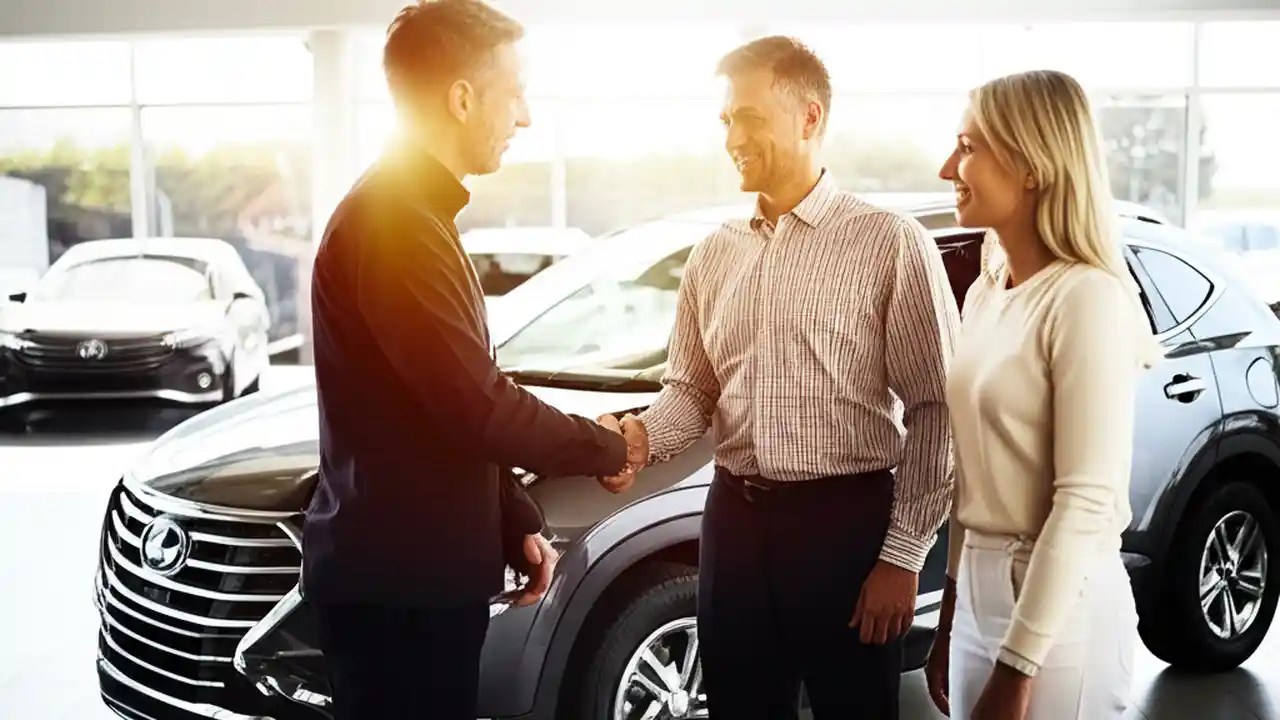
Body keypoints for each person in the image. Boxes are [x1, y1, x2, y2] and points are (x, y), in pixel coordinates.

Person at [602, 36, 960, 719]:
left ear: (810, 116)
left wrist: (904, 556)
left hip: (846, 528)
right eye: (727, 120)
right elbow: (693, 392)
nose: (733, 137)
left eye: (751, 118)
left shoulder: (889, 242)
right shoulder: (713, 255)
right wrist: (638, 439)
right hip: (734, 523)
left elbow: (937, 406)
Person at [303, 2, 644, 718]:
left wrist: (510, 513)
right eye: (515, 92)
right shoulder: (395, 222)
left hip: (411, 585)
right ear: (461, 98)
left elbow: (434, 406)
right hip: (400, 599)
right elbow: (475, 403)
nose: (523, 117)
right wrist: (607, 444)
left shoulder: (412, 214)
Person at [925, 69, 1161, 720]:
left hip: (1062, 614)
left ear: (1032, 165)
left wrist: (1017, 667)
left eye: (969, 146)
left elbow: (1083, 499)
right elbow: (970, 477)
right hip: (978, 598)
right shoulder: (985, 292)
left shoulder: (1087, 297)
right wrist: (950, 614)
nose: (949, 166)